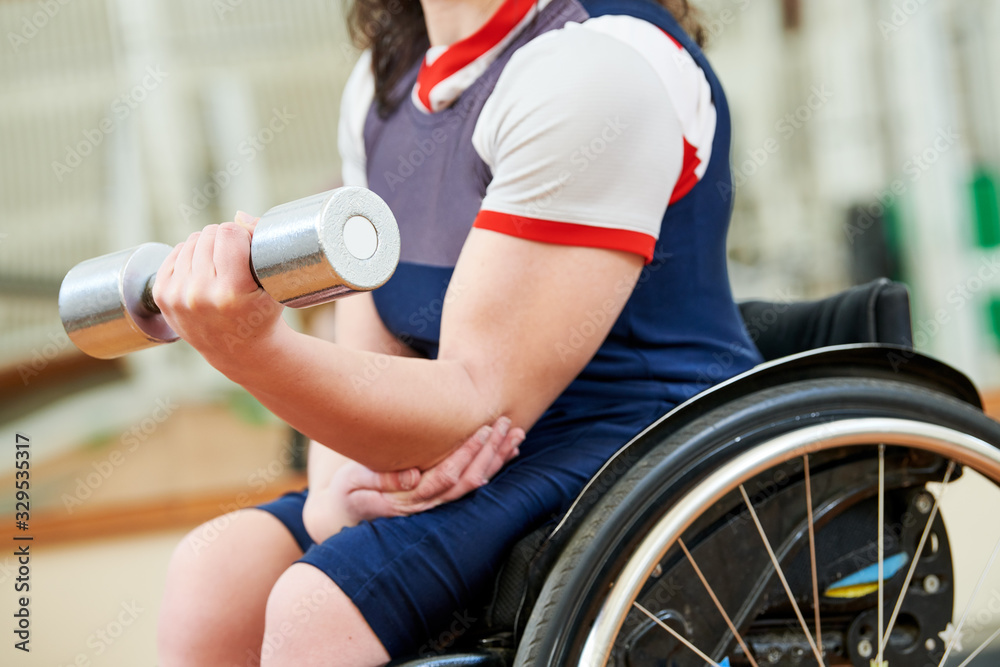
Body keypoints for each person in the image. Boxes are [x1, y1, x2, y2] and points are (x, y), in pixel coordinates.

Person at [155, 0, 763, 663]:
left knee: (316, 612)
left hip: (633, 435)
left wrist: (249, 348)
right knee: (213, 572)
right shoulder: (381, 83)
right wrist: (339, 495)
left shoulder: (597, 66)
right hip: (451, 426)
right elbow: (370, 347)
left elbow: (476, 396)